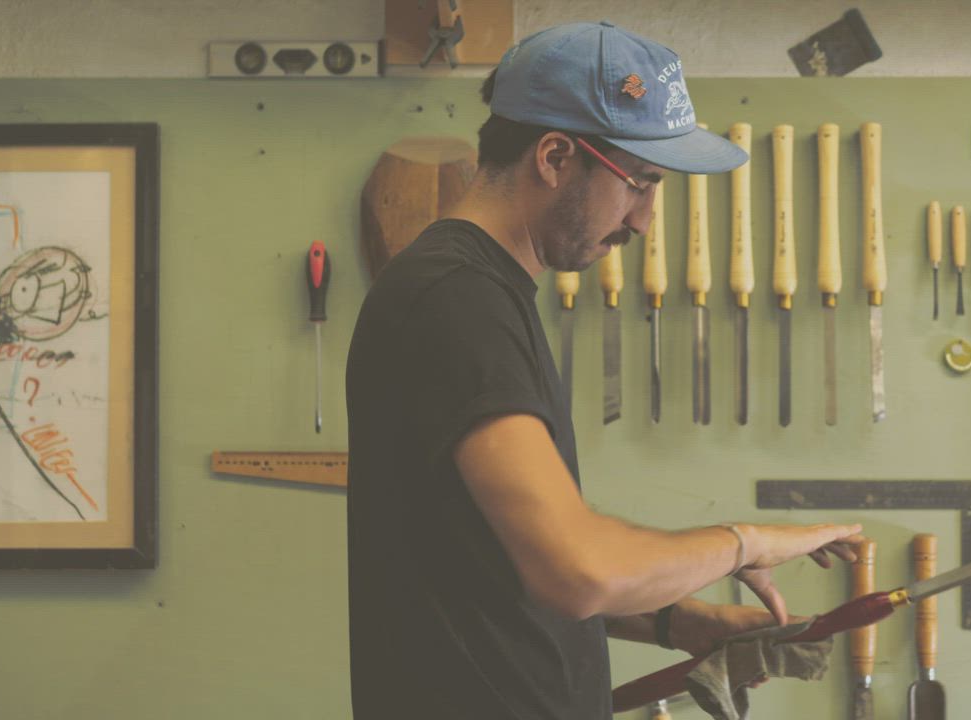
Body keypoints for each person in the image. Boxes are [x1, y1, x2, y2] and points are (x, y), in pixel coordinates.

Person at [346, 21, 864, 719]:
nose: (647, 220)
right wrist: (746, 542)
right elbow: (577, 570)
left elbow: (500, 562)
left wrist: (674, 622)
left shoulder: (479, 292)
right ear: (556, 156)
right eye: (640, 184)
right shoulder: (457, 301)